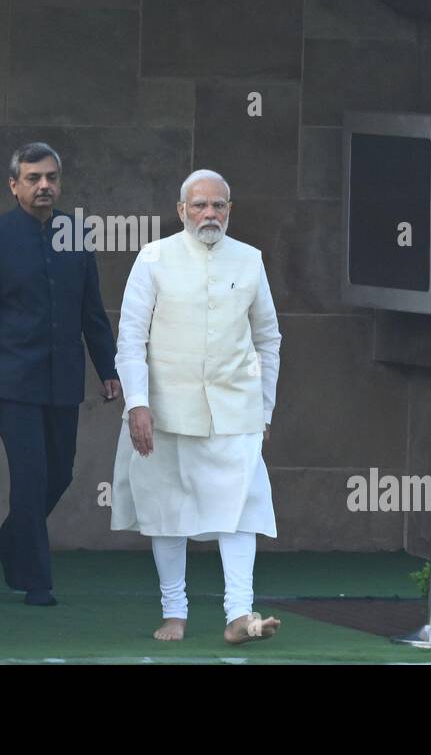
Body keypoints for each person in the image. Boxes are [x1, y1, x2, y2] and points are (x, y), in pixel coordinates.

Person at [110, 169, 283, 643]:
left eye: (219, 205)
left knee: (240, 506)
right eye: (201, 205)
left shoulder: (249, 261)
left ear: (230, 210)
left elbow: (268, 339)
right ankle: (174, 614)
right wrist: (137, 405)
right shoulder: (154, 257)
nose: (211, 213)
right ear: (181, 210)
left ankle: (239, 615)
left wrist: (263, 409)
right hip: (165, 409)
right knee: (168, 510)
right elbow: (130, 339)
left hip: (236, 409)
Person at [0, 142, 122, 606]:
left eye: (51, 177)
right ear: (14, 186)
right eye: (33, 178)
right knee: (30, 477)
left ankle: (10, 540)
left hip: (63, 379)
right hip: (11, 381)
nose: (44, 185)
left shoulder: (77, 233)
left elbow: (91, 309)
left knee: (61, 473)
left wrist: (107, 368)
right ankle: (36, 581)